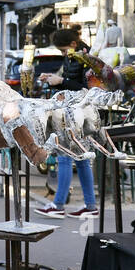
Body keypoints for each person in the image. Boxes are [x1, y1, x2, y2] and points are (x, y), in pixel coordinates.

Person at [35, 27, 99, 219]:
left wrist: (60, 80)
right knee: (81, 160)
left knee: (65, 155)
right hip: (78, 113)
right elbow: (72, 83)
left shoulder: (86, 58)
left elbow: (86, 89)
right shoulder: (76, 56)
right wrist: (53, 79)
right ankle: (90, 206)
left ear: (73, 44)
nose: (63, 54)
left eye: (63, 50)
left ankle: (59, 205)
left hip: (77, 113)